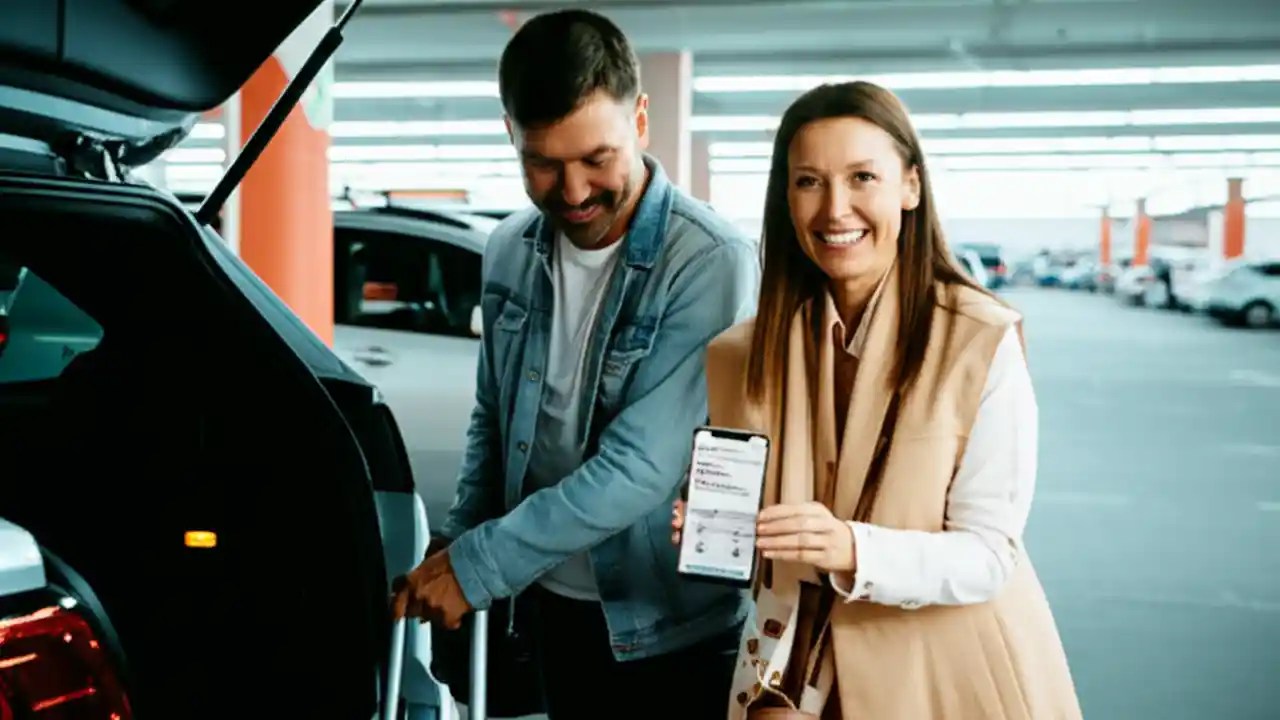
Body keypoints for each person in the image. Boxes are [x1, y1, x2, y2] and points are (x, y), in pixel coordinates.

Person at [390, 8, 760, 719]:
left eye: (598, 159)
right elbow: (494, 419)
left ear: (641, 120)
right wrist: (456, 538)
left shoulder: (709, 260)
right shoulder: (508, 250)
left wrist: (478, 566)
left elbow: (640, 468)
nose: (575, 191)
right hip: (548, 608)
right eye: (545, 163)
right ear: (511, 136)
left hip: (666, 625)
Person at [672, 81, 1082, 719]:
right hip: (790, 675)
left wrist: (850, 548)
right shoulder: (741, 355)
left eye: (863, 176)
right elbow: (771, 552)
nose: (835, 209)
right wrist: (723, 530)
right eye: (809, 181)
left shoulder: (979, 339)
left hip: (942, 675)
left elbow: (988, 554)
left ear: (910, 186)